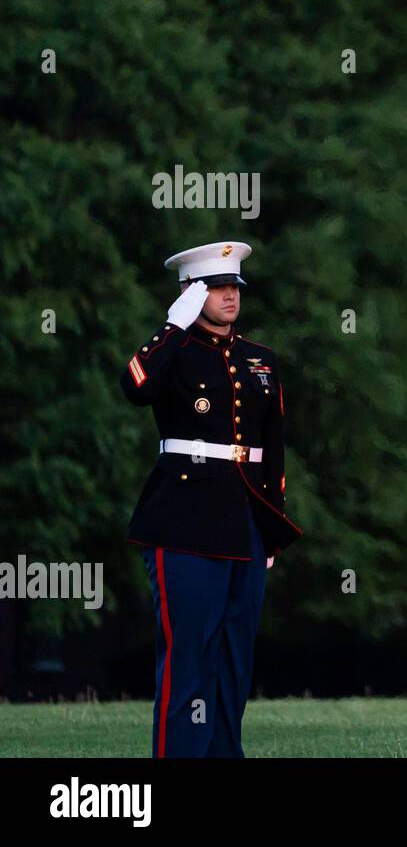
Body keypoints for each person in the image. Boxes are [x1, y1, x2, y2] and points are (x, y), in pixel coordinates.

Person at [120, 240, 302, 757]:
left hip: (245, 520)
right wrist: (172, 328)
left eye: (233, 287)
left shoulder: (259, 359)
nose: (229, 296)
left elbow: (272, 449)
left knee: (233, 657)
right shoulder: (172, 352)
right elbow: (134, 386)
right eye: (216, 287)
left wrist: (271, 523)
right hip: (183, 520)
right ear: (189, 293)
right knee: (188, 659)